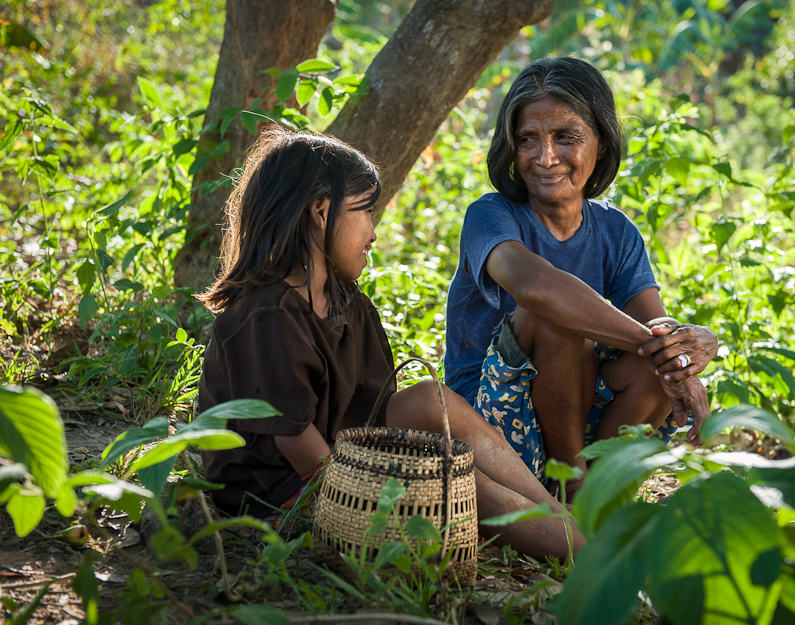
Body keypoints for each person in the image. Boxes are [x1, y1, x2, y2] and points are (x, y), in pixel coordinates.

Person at [196, 125, 582, 559]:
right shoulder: (266, 315)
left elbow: (381, 410)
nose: (374, 233)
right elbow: (297, 445)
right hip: (285, 494)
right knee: (453, 482)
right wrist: (389, 489)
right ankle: (582, 553)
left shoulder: (347, 304)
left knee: (430, 399)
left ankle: (559, 515)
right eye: (365, 212)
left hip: (346, 455)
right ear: (321, 213)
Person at [444, 57, 719, 495]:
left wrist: (686, 350)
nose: (546, 157)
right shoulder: (490, 216)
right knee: (553, 316)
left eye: (565, 137)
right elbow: (536, 289)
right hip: (489, 426)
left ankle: (594, 492)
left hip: (574, 420)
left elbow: (654, 325)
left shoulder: (616, 231)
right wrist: (662, 349)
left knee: (653, 368)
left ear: (602, 143)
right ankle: (571, 495)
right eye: (528, 140)